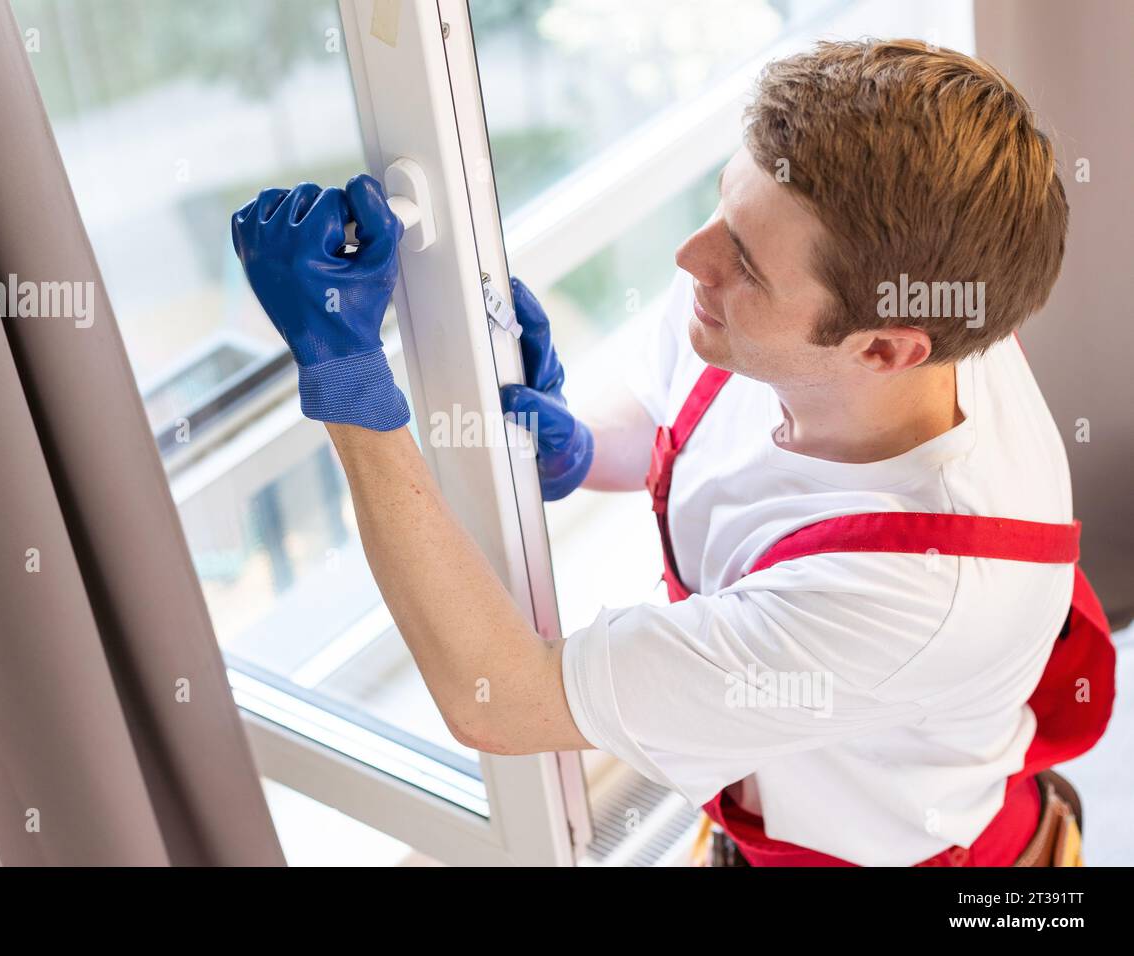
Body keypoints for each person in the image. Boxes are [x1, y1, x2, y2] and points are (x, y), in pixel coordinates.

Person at [230, 39, 1114, 867]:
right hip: (780, 780)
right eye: (722, 213)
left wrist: (344, 377)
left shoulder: (917, 590)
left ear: (884, 349)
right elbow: (677, 413)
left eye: (745, 265)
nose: (690, 258)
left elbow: (497, 696)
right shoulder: (854, 306)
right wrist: (581, 449)